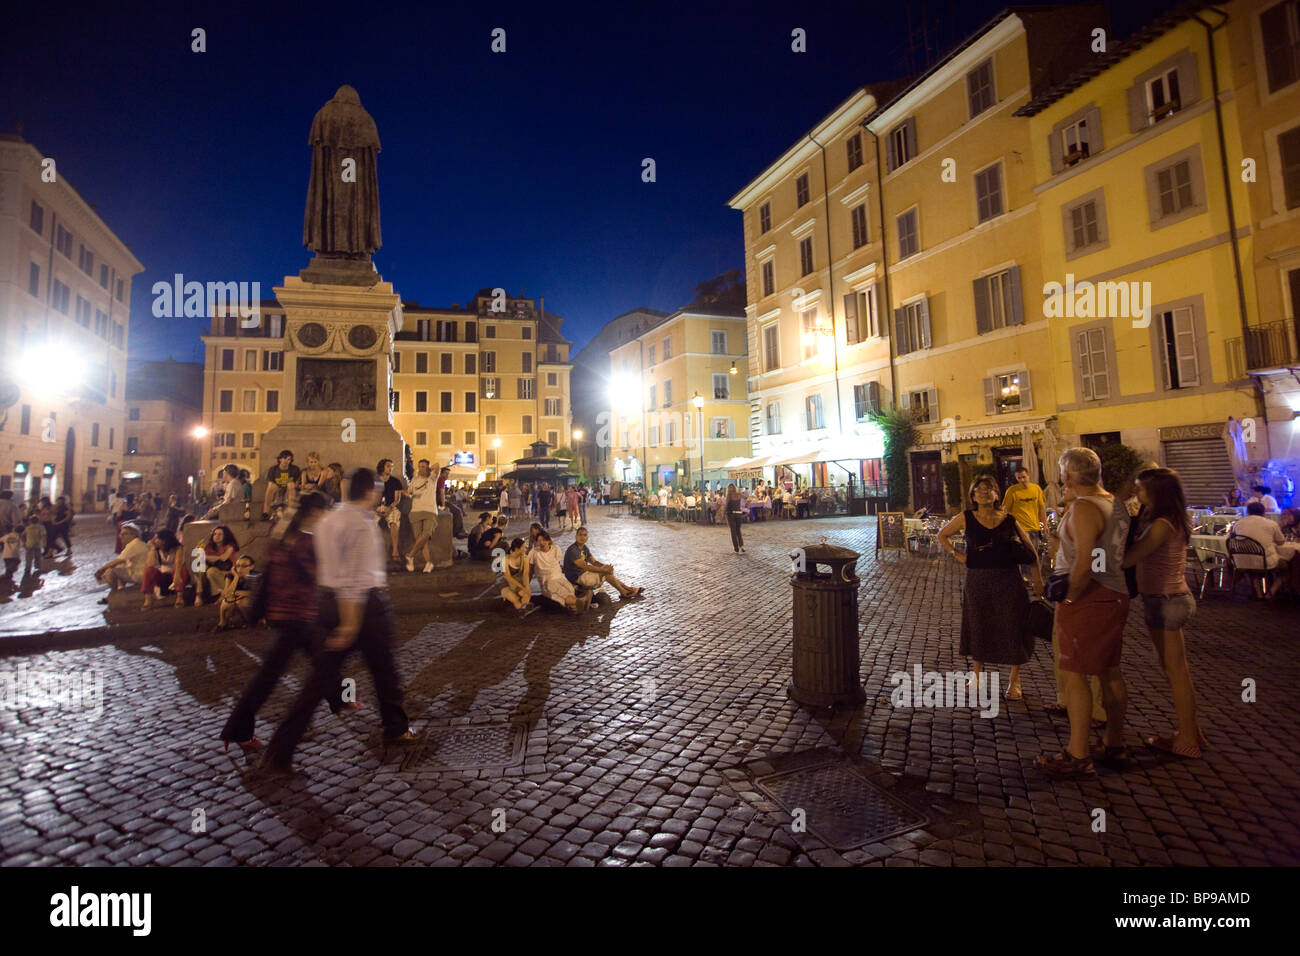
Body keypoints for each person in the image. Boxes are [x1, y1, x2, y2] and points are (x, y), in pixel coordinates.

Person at [262, 468, 418, 773]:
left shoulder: (329, 519)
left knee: (319, 681)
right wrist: (349, 623)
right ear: (373, 492)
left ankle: (281, 749)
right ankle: (395, 728)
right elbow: (354, 579)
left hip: (326, 602)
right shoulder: (362, 524)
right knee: (385, 670)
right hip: (361, 606)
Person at [220, 492, 360, 752]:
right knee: (271, 676)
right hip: (298, 615)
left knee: (322, 659)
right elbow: (324, 574)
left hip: (285, 613)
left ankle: (341, 699)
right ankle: (241, 731)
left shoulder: (282, 536)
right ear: (315, 512)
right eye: (324, 511)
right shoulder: (306, 542)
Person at [1037, 447, 1132, 778]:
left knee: (1075, 674)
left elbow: (1087, 561)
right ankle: (1115, 743)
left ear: (1066, 475)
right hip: (1116, 592)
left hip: (1090, 596)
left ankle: (1078, 754)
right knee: (1110, 670)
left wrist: (1072, 596)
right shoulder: (1114, 503)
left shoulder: (1083, 507)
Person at [1120, 468, 1205, 759]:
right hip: (1164, 598)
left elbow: (1130, 557)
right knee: (1173, 670)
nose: (1137, 494)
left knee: (1177, 672)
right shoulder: (1167, 519)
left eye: (1141, 490)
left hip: (1168, 600)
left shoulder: (1162, 525)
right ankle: (1191, 731)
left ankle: (1189, 740)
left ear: (1158, 493)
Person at [939, 476, 1040, 701]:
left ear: (997, 494)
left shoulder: (1009, 519)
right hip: (978, 581)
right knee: (978, 624)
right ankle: (977, 676)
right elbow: (942, 535)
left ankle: (1015, 681)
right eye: (979, 490)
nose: (984, 493)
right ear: (973, 496)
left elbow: (1030, 549)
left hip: (1008, 581)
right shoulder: (965, 517)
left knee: (1012, 626)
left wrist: (1038, 579)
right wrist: (957, 555)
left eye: (989, 489)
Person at [1232, 500, 1295, 597]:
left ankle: (1258, 592)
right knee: (1285, 567)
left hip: (1241, 561)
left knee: (1252, 565)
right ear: (1263, 512)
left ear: (1248, 512)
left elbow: (1232, 539)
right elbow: (1281, 542)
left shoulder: (1238, 523)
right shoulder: (1271, 524)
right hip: (1264, 562)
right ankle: (1271, 592)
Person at [563, 526, 644, 601]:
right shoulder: (572, 550)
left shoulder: (584, 548)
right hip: (577, 578)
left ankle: (628, 589)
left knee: (607, 572)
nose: (582, 537)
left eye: (585, 535)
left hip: (584, 574)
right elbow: (585, 566)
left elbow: (594, 562)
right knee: (605, 573)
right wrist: (602, 570)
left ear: (587, 538)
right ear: (576, 536)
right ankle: (625, 591)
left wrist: (605, 567)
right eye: (580, 535)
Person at [1002, 466, 1047, 584]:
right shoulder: (1012, 491)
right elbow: (1005, 510)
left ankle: (1033, 580)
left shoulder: (1036, 489)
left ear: (1028, 476)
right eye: (1019, 478)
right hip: (1019, 529)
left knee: (1033, 555)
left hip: (1034, 527)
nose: (1022, 480)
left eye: (1023, 477)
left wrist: (1045, 523)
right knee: (1022, 555)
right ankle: (1024, 579)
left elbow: (1041, 507)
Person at [529, 531, 585, 613]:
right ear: (536, 542)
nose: (541, 542)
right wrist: (526, 585)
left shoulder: (556, 549)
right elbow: (530, 570)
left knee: (570, 590)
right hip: (548, 581)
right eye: (539, 540)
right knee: (562, 594)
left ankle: (575, 605)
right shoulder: (534, 552)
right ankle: (580, 602)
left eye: (544, 540)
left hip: (560, 578)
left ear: (549, 540)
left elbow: (557, 565)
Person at [95, 523, 149, 598]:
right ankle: (121, 589)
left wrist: (101, 570)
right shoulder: (139, 543)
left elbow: (117, 561)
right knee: (120, 566)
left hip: (140, 575)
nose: (122, 537)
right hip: (143, 573)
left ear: (133, 535)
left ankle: (114, 595)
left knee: (110, 571)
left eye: (124, 534)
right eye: (121, 534)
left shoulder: (133, 545)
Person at [405, 459, 440, 573]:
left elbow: (437, 465)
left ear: (428, 468)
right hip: (416, 510)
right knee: (421, 540)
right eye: (419, 466)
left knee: (426, 534)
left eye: (423, 467)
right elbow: (409, 491)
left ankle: (410, 555)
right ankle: (428, 563)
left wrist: (430, 470)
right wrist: (404, 493)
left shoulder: (432, 478)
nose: (420, 469)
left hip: (430, 510)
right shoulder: (414, 479)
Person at [140, 529, 181, 610]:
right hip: (164, 576)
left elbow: (178, 563)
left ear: (164, 540)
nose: (154, 540)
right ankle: (148, 599)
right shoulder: (157, 550)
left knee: (181, 570)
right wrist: (152, 549)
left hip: (176, 575)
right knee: (149, 570)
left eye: (156, 538)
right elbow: (150, 564)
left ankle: (180, 598)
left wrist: (176, 576)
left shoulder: (178, 548)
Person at [375, 458, 405, 563]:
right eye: (388, 466)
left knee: (394, 522)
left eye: (392, 466)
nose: (390, 468)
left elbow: (397, 499)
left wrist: (389, 508)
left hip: (390, 507)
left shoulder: (395, 481)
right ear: (382, 467)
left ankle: (395, 551)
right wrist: (376, 508)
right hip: (376, 507)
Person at [215, 555, 257, 630]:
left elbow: (256, 594)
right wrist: (236, 577)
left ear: (252, 566)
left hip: (252, 604)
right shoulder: (231, 575)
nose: (240, 569)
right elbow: (227, 594)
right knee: (227, 601)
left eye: (244, 566)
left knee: (241, 602)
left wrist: (237, 592)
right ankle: (223, 622)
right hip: (236, 600)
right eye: (237, 566)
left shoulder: (255, 576)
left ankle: (250, 621)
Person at [199, 526, 239, 604]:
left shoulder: (230, 546)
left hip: (228, 572)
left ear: (225, 536)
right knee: (204, 570)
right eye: (215, 534)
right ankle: (218, 595)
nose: (217, 536)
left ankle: (222, 595)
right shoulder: (209, 547)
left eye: (220, 534)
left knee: (211, 571)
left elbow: (223, 558)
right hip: (215, 569)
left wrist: (207, 557)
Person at [499, 537, 538, 619]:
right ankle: (522, 610)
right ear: (517, 549)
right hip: (507, 584)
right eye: (524, 547)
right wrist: (522, 587)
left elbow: (526, 574)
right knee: (515, 598)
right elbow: (508, 577)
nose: (526, 548)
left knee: (526, 595)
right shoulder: (505, 559)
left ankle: (521, 611)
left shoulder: (525, 558)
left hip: (519, 583)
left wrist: (527, 587)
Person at [262, 450, 301, 521]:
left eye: (288, 459)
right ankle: (265, 512)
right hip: (277, 489)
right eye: (284, 458)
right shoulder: (273, 469)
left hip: (289, 490)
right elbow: (270, 483)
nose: (286, 461)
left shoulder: (294, 469)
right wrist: (279, 488)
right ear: (280, 459)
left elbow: (296, 483)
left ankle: (290, 512)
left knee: (291, 484)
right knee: (271, 487)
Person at [725, 483, 745, 553]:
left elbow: (726, 505)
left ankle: (736, 547)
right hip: (738, 514)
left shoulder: (729, 496)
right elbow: (746, 497)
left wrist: (723, 514)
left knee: (733, 532)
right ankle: (742, 545)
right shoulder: (738, 494)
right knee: (738, 531)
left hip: (731, 514)